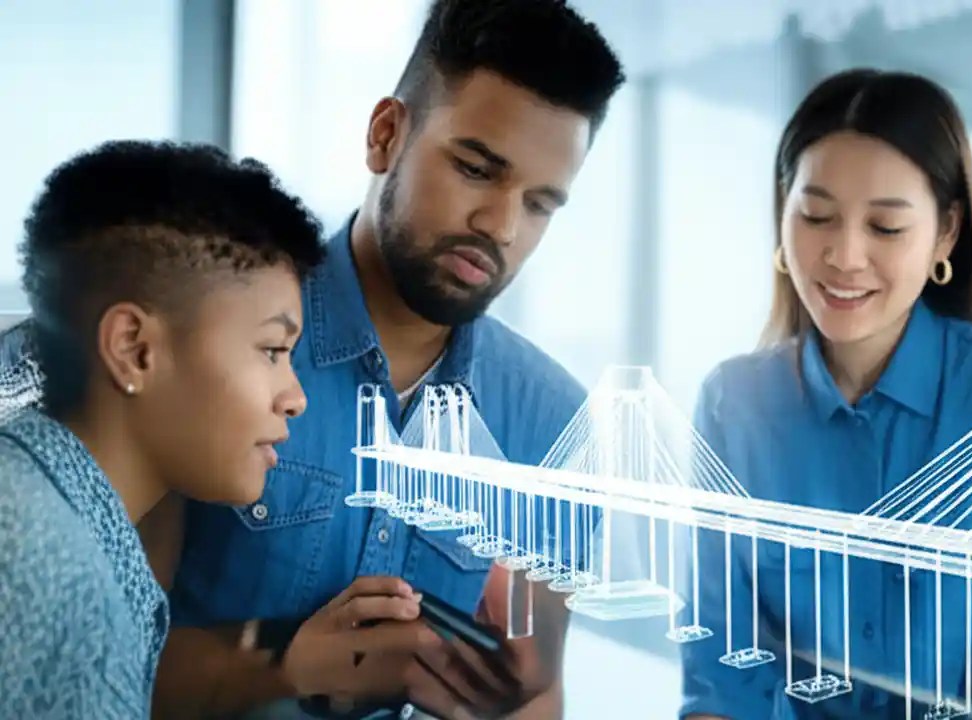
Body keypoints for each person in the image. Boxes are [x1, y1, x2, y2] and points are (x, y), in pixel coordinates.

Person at [154, 1, 626, 718]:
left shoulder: (558, 426)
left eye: (540, 204)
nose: (500, 227)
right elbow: (101, 659)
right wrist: (287, 662)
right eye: (476, 169)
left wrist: (511, 689)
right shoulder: (215, 336)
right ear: (386, 136)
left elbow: (535, 697)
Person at [679, 69, 972, 719]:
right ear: (782, 216)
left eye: (887, 228)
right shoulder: (733, 404)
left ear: (946, 234)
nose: (844, 256)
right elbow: (720, 674)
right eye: (817, 216)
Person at [0, 140, 323, 718]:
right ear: (135, 349)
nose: (295, 398)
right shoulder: (44, 552)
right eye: (272, 350)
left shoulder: (59, 518)